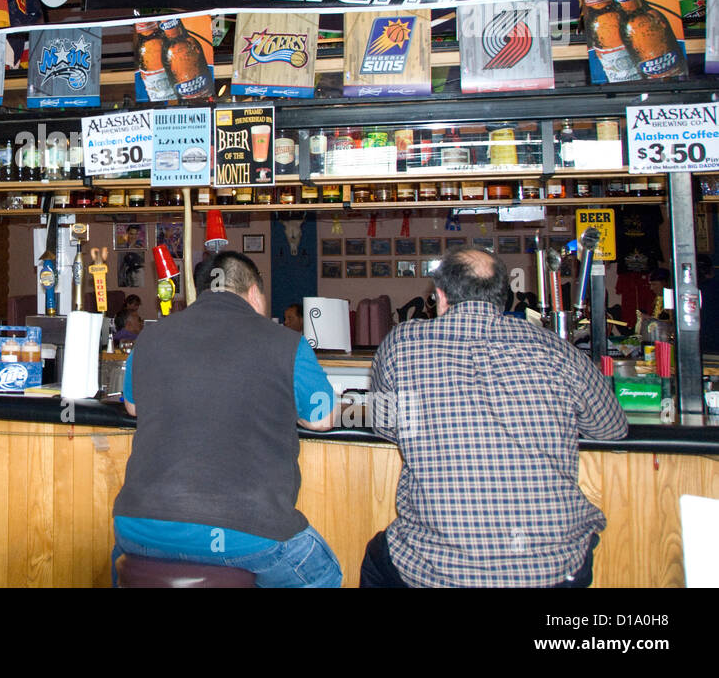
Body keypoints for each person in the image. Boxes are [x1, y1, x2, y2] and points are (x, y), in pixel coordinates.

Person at [361, 249, 627, 588]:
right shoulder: (557, 349)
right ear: (504, 296)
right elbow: (612, 427)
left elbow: (384, 424)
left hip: (435, 567)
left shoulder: (402, 344)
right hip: (553, 567)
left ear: (440, 296)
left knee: (378, 558)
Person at [113, 251, 341, 587]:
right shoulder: (287, 343)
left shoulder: (150, 336)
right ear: (253, 292)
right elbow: (322, 419)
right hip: (244, 534)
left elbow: (132, 406)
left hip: (137, 529)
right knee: (323, 573)